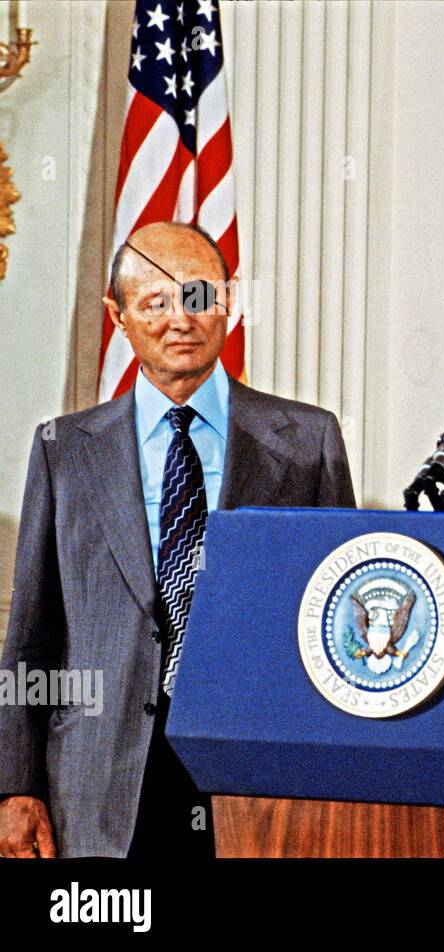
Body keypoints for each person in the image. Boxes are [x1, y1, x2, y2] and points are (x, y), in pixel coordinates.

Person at [0, 222, 356, 858]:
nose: (180, 320)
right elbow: (32, 633)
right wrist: (14, 785)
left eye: (198, 296)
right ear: (118, 316)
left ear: (228, 300)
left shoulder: (308, 441)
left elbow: (337, 639)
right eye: (155, 303)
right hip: (95, 779)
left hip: (255, 779)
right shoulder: (63, 450)